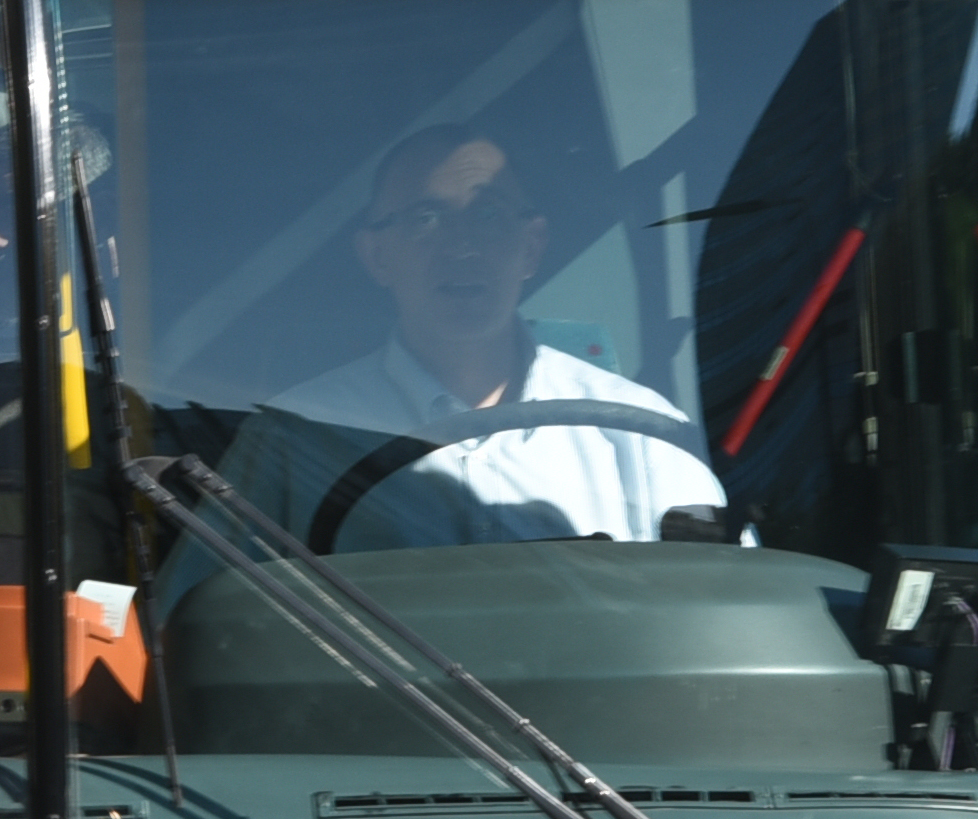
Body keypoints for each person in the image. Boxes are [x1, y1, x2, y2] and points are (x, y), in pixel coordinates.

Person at [244, 127, 721, 545]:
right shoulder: (293, 442)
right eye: (425, 219)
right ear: (376, 256)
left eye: (488, 214)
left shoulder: (643, 434)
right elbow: (211, 628)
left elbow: (722, 613)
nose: (462, 246)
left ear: (532, 247)